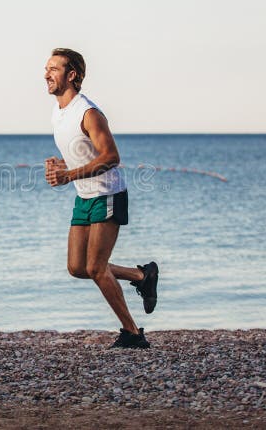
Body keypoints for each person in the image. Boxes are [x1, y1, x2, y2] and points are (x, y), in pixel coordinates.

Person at [44, 47, 158, 349]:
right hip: (85, 196)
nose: (46, 75)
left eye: (53, 69)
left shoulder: (88, 113)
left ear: (71, 75)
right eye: (46, 69)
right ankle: (141, 276)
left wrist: (68, 175)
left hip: (108, 194)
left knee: (96, 267)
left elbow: (111, 157)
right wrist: (62, 166)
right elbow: (84, 152)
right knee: (77, 267)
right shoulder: (58, 112)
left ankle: (133, 333)